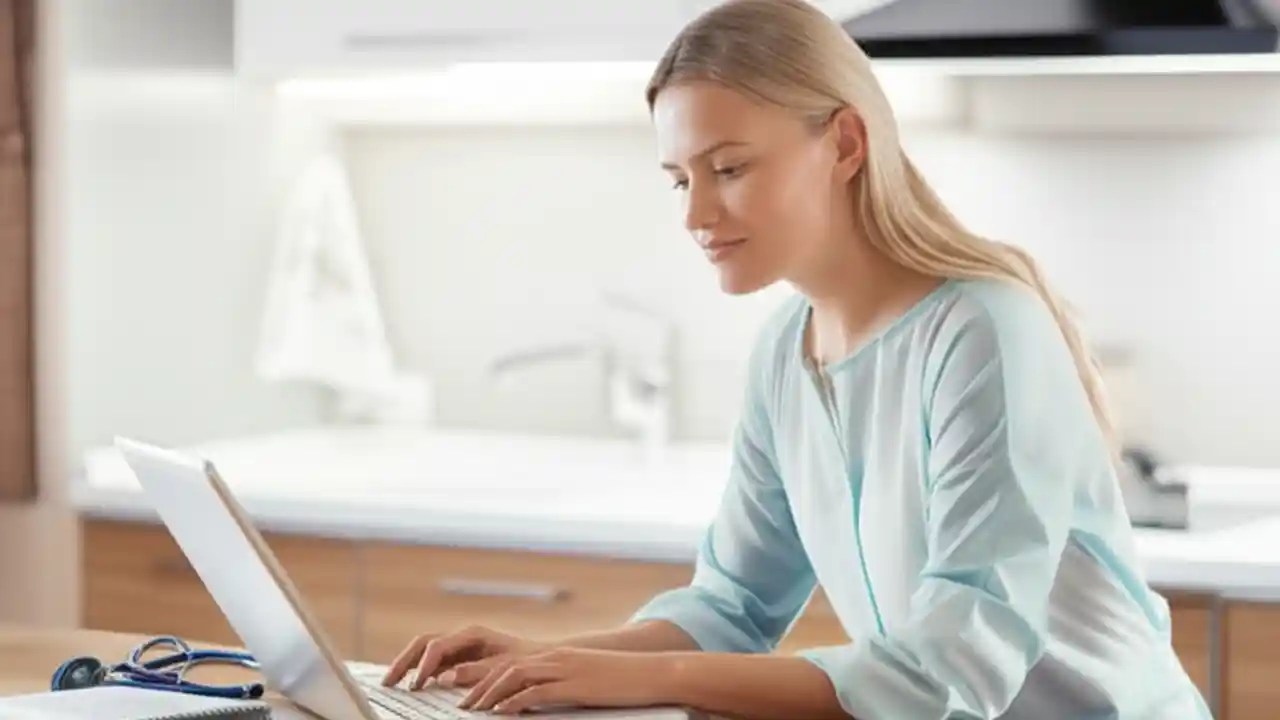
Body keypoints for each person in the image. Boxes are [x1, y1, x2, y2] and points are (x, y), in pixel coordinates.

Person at [379, 1, 1212, 717]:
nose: (697, 213)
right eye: (680, 180)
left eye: (730, 168)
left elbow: (953, 667)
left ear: (846, 142)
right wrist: (546, 656)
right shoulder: (788, 348)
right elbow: (731, 606)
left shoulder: (983, 329)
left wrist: (631, 678)